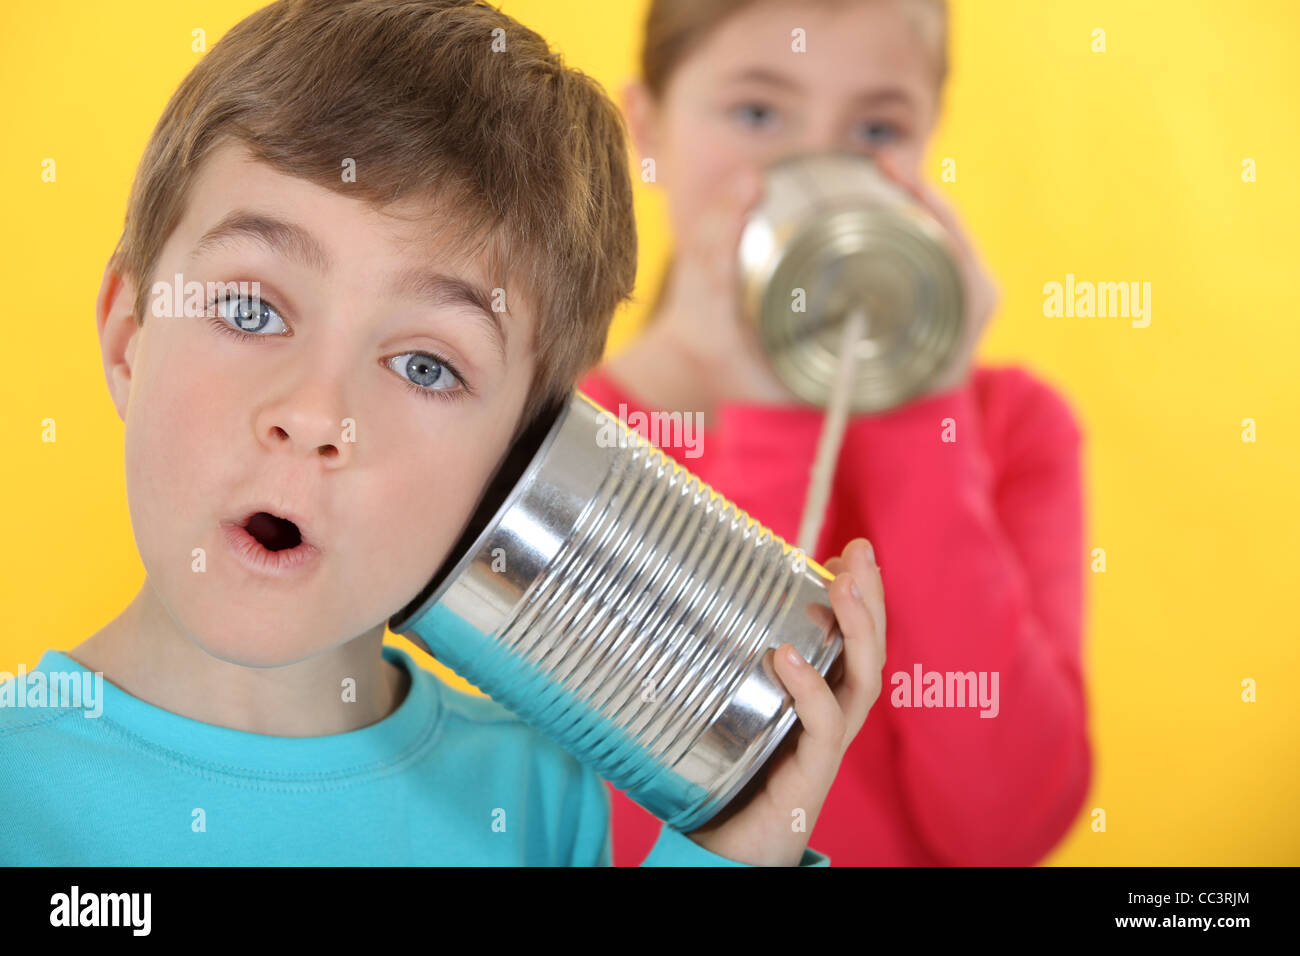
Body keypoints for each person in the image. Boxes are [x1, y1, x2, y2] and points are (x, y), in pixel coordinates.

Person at [0, 0, 887, 867]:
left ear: (521, 466)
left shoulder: (536, 791)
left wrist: (736, 855)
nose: (313, 416)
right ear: (128, 336)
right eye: (248, 308)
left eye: (427, 366)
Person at [580, 0, 1092, 865]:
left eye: (876, 126)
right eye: (756, 112)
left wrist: (919, 423)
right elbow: (650, 813)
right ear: (650, 129)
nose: (814, 163)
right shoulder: (566, 440)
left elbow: (1008, 833)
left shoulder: (1013, 431)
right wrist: (763, 413)